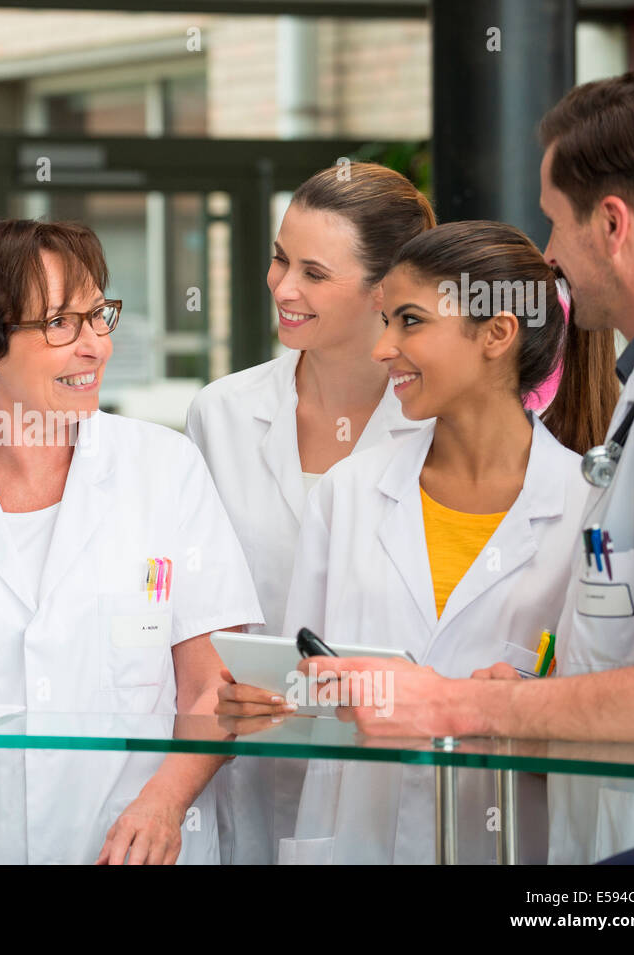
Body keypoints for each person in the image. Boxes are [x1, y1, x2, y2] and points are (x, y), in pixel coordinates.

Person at [285, 72, 634, 864]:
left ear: (613, 222)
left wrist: (455, 701)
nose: (548, 256)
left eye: (554, 223)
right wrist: (520, 696)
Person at [0, 219, 263, 864]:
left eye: (99, 316)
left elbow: (215, 687)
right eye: (60, 325)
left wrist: (164, 803)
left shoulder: (165, 470)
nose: (94, 346)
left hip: (135, 845)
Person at [251, 221, 615, 863]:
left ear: (497, 334)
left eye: (410, 321)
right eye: (386, 320)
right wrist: (262, 700)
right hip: (354, 842)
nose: (383, 347)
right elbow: (303, 695)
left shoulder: (590, 515)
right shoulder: (348, 494)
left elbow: (599, 732)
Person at [187, 162, 435, 863]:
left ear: (385, 289)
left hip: (386, 778)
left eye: (314, 273)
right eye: (279, 258)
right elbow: (197, 608)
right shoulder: (222, 414)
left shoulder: (435, 424)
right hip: (248, 766)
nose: (283, 287)